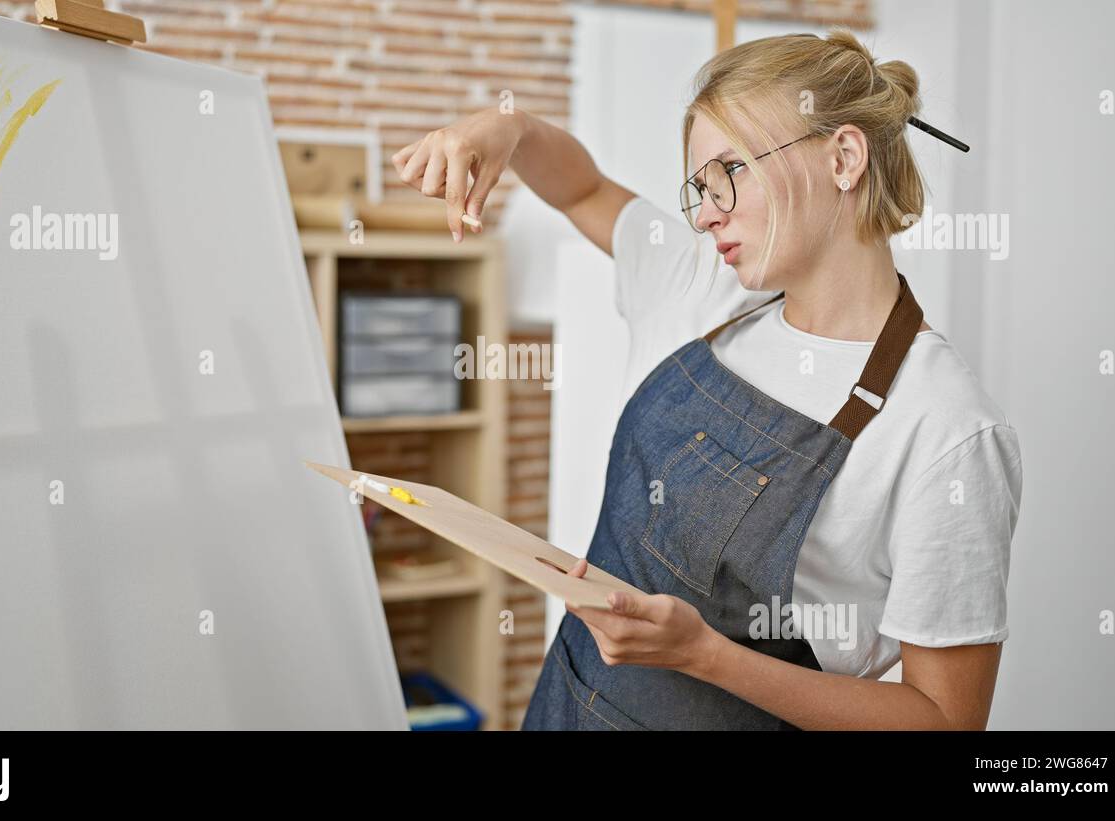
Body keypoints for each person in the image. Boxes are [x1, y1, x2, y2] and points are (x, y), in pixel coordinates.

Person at [391, 29, 1022, 730]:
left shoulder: (946, 428)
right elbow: (583, 186)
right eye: (698, 186)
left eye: (730, 170)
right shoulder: (699, 291)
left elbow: (943, 721)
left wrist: (705, 655)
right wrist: (504, 127)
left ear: (844, 157)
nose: (707, 211)